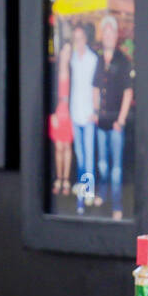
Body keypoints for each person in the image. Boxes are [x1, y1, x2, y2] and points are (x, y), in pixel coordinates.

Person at [93, 15, 134, 221]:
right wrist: (94, 110)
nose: (108, 36)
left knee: (116, 168)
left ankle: (117, 205)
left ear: (116, 35)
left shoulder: (123, 60)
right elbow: (95, 87)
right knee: (102, 164)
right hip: (101, 121)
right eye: (105, 32)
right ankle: (102, 194)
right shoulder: (99, 59)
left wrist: (122, 119)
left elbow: (128, 92)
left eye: (111, 32)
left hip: (117, 122)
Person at [66, 23, 99, 213]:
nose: (77, 42)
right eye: (75, 39)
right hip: (74, 113)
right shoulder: (73, 59)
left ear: (85, 39)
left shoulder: (92, 59)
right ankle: (82, 192)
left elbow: (95, 88)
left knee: (88, 158)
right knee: (79, 156)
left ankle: (87, 195)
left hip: (87, 114)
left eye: (80, 38)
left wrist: (95, 110)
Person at [49, 41, 74, 197]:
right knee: (59, 147)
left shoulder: (74, 69)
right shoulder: (53, 68)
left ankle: (66, 179)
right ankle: (58, 178)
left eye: (69, 52)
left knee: (67, 147)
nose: (67, 54)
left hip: (70, 110)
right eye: (65, 51)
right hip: (58, 111)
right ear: (60, 53)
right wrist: (52, 114)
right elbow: (49, 90)